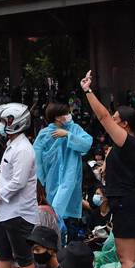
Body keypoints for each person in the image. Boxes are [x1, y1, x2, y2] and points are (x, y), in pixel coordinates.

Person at [81, 70, 135, 268]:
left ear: (124, 124)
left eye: (115, 120)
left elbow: (102, 117)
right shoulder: (131, 144)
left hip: (127, 204)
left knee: (126, 259)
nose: (110, 122)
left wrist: (88, 90)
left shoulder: (126, 141)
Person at [0, 102, 39, 268]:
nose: (1, 125)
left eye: (4, 121)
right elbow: (7, 177)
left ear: (14, 122)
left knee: (24, 259)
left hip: (19, 214)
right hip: (5, 213)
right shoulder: (12, 145)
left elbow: (19, 181)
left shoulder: (23, 149)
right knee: (3, 256)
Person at [33, 102, 92, 241]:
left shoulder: (74, 129)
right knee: (53, 224)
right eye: (66, 113)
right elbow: (37, 161)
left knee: (70, 228)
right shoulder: (44, 134)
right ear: (57, 117)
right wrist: (40, 183)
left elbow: (87, 144)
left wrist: (68, 135)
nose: (68, 116)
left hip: (71, 186)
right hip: (50, 187)